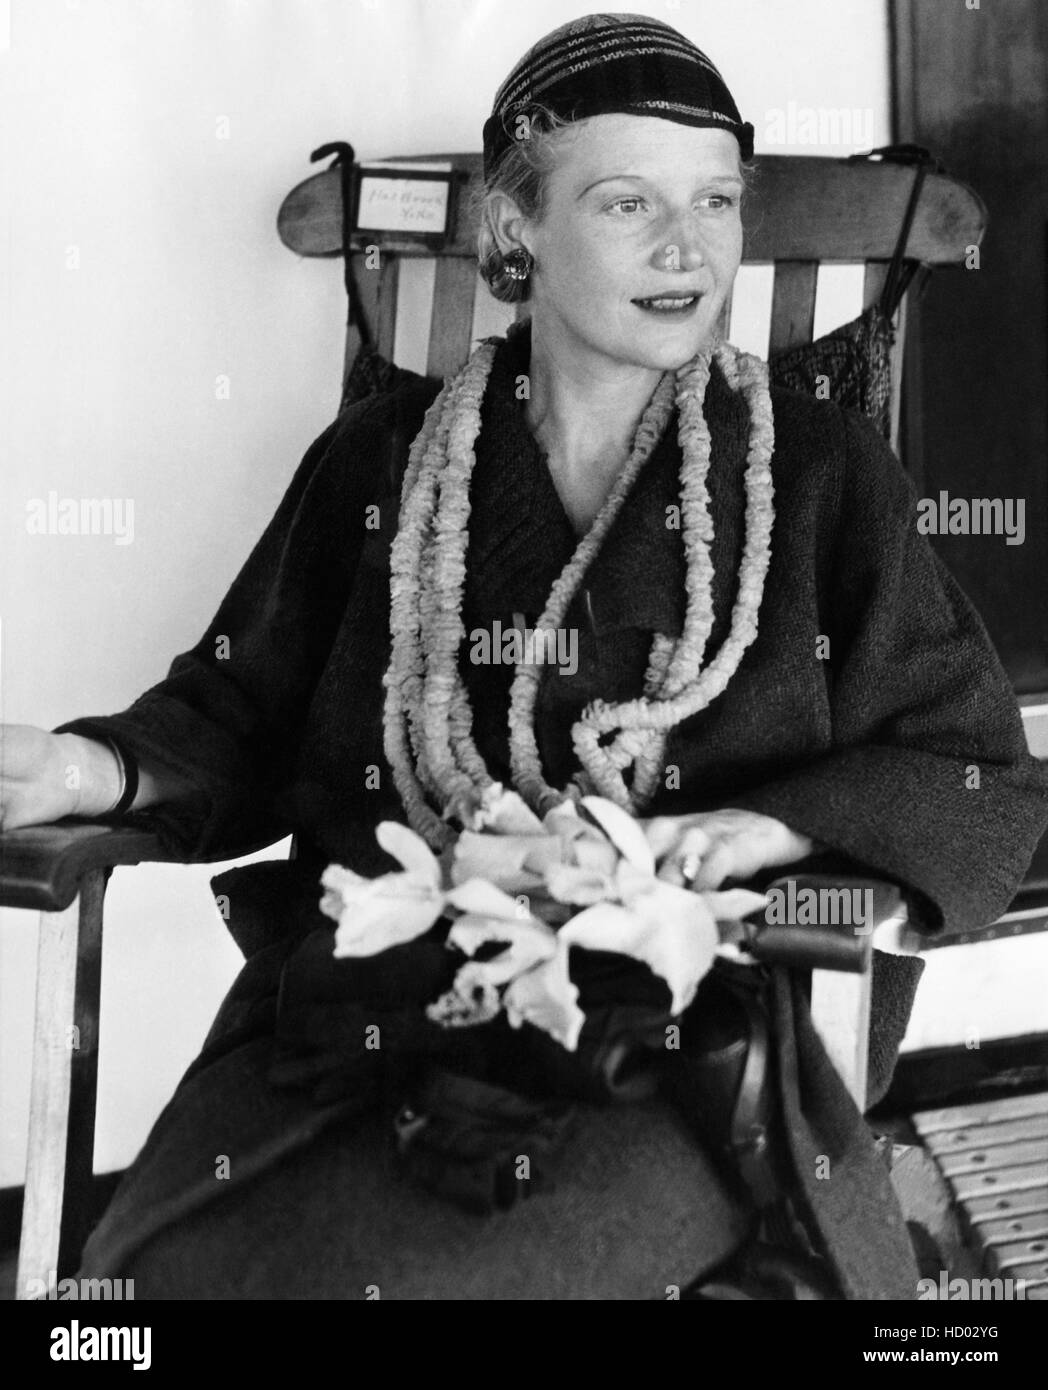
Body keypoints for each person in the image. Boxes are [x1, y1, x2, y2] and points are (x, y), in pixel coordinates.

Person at [3, 13, 1046, 1300]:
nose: (688, 245)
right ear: (514, 234)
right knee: (149, 1285)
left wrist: (756, 833)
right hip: (371, 996)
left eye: (716, 200)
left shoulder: (823, 476)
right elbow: (238, 708)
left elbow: (971, 771)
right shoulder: (385, 464)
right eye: (626, 203)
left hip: (684, 1018)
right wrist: (89, 769)